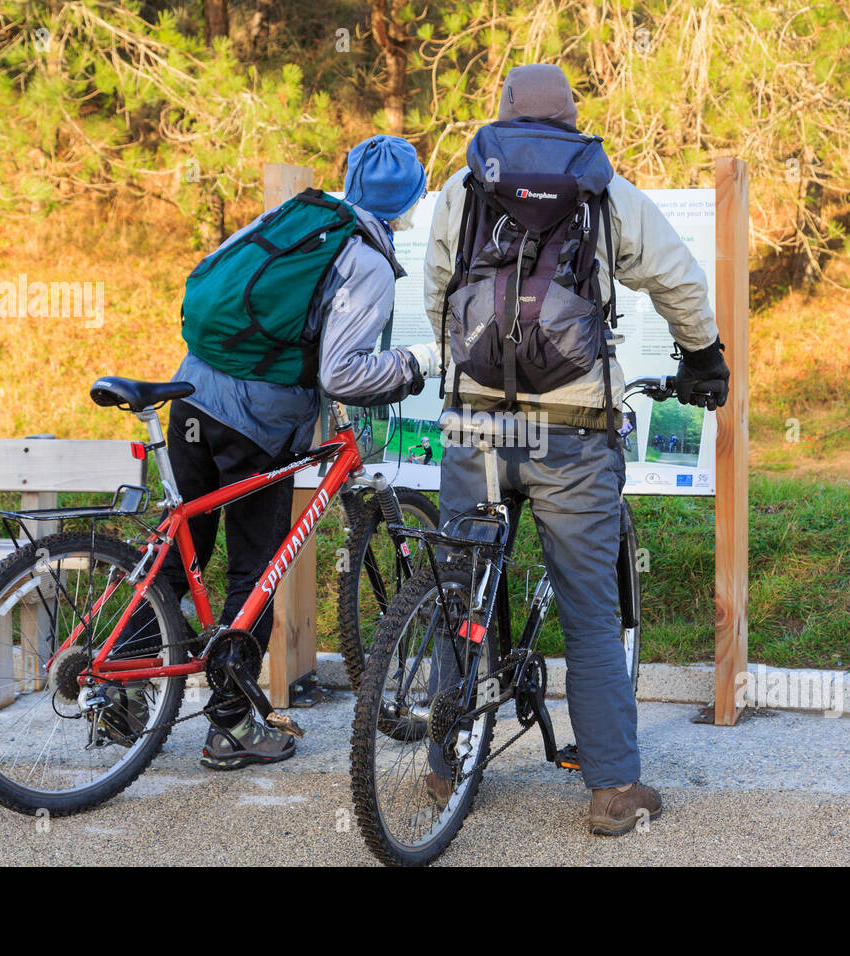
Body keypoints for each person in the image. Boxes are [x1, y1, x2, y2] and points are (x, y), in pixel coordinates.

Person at [423, 64, 729, 835]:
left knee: (460, 596)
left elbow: (438, 295)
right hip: (573, 431)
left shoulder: (464, 189)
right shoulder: (602, 189)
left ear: (501, 113)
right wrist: (702, 356)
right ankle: (612, 793)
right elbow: (680, 280)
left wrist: (470, 374)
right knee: (592, 615)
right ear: (571, 117)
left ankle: (444, 766)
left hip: (477, 426)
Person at [162, 134, 442, 771]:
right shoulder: (366, 261)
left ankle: (120, 695)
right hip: (253, 424)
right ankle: (231, 727)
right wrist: (417, 362)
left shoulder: (301, 215)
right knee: (254, 573)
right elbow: (343, 375)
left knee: (184, 553)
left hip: (191, 396)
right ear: (410, 203)